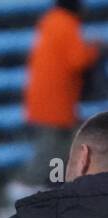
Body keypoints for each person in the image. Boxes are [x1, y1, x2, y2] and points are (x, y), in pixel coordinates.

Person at [20, 0, 101, 189]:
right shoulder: (66, 23)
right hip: (54, 103)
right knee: (48, 151)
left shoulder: (51, 21)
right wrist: (95, 49)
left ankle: (52, 187)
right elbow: (77, 59)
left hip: (50, 101)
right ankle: (23, 189)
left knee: (63, 149)